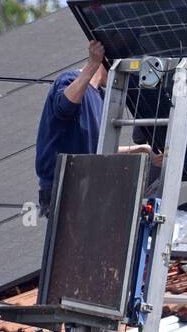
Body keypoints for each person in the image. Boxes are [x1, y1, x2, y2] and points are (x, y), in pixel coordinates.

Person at [34, 39, 158, 216]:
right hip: (63, 183)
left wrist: (140, 149)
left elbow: (98, 149)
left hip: (87, 183)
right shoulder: (69, 80)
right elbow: (65, 105)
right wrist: (93, 65)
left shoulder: (101, 98)